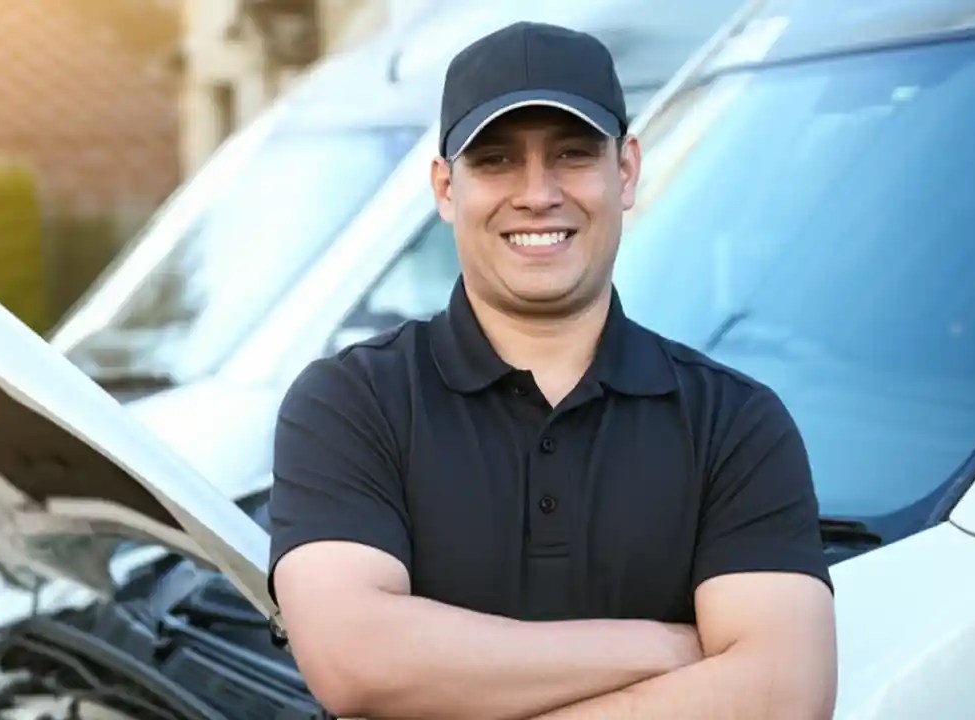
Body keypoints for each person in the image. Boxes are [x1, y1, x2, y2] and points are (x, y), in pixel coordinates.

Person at [267, 21, 837, 720]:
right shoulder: (352, 403)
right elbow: (355, 659)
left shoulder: (734, 423)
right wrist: (667, 648)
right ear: (446, 188)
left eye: (571, 154)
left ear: (625, 171)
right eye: (497, 160)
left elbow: (783, 695)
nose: (537, 193)